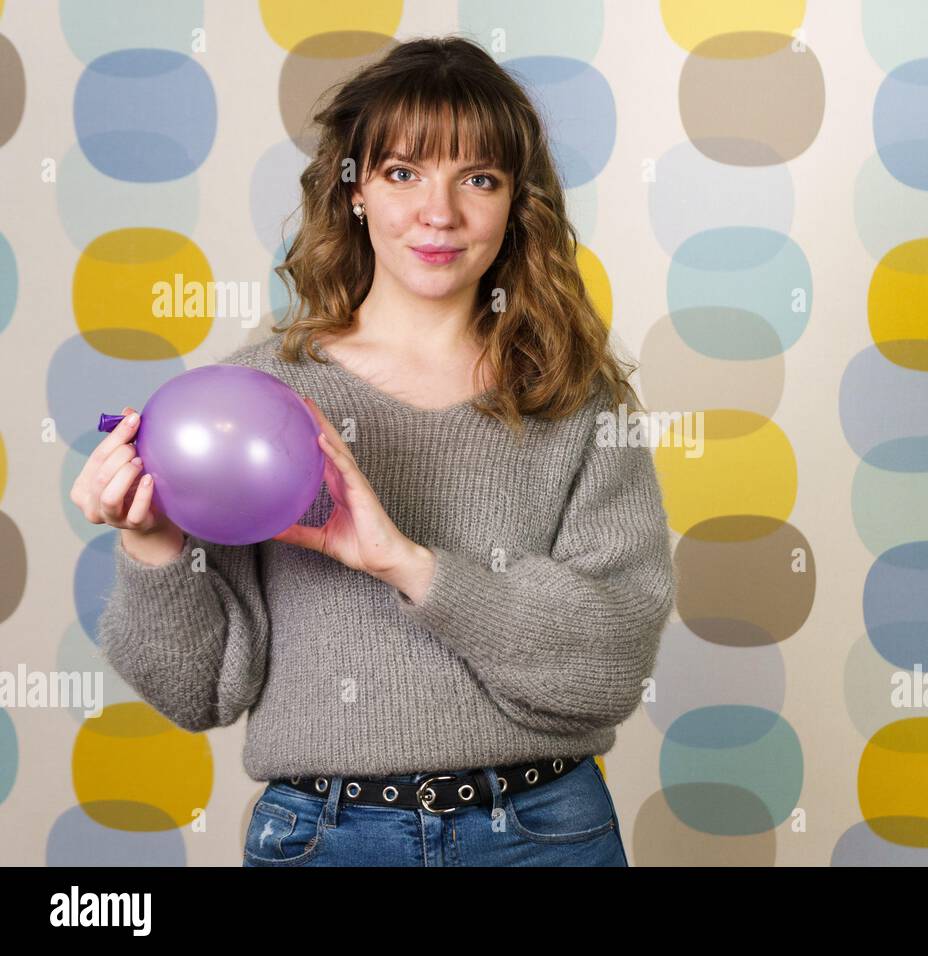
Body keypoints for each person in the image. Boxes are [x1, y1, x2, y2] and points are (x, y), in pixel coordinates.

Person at [72, 35, 676, 867]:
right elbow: (198, 694)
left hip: (545, 833)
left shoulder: (572, 398)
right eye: (402, 173)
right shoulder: (252, 405)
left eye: (480, 178)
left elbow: (609, 663)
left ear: (514, 204)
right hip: (326, 839)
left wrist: (409, 566)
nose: (441, 212)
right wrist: (151, 542)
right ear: (353, 191)